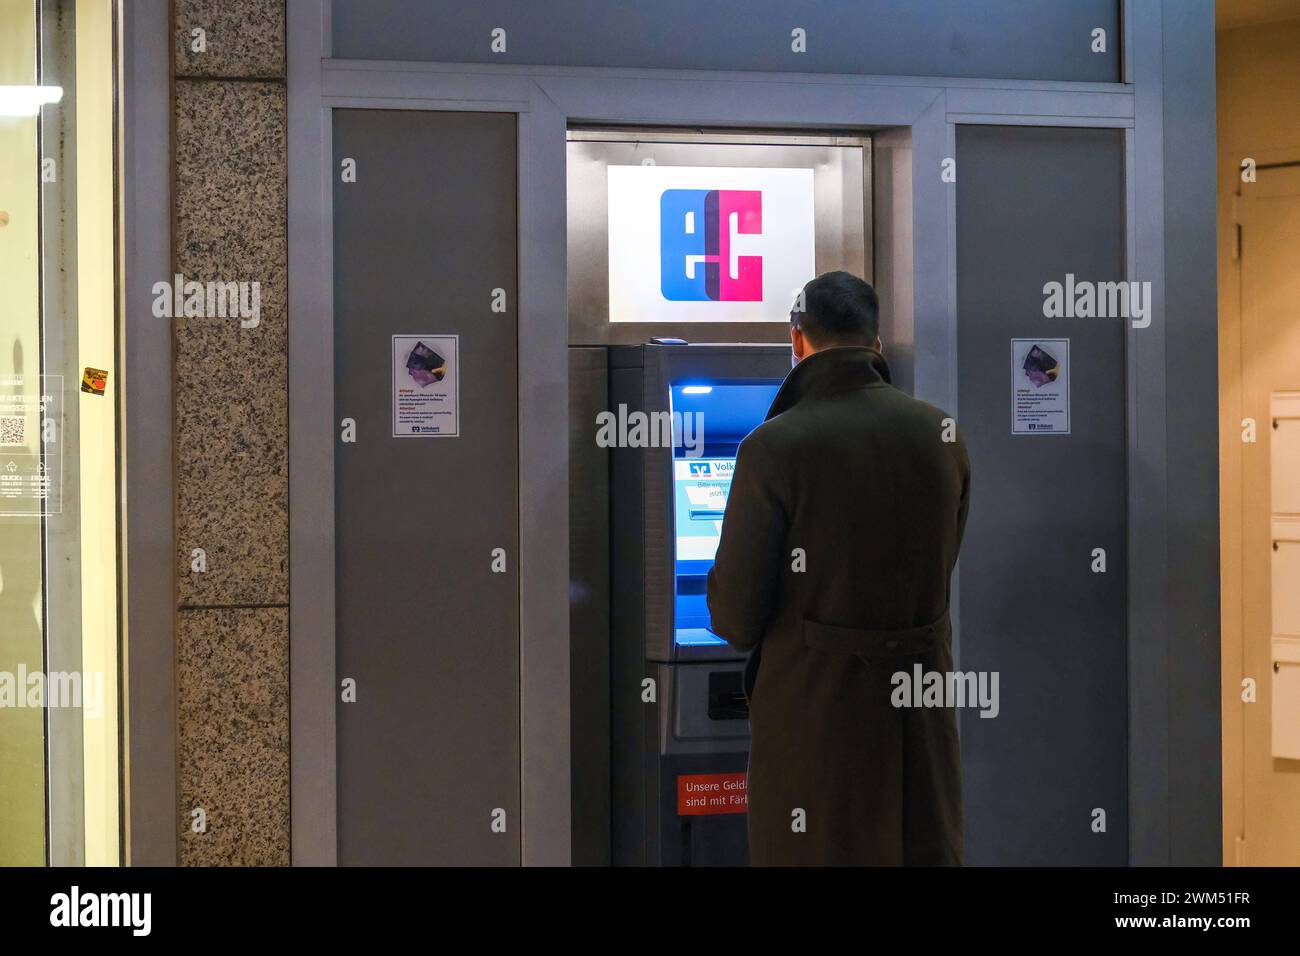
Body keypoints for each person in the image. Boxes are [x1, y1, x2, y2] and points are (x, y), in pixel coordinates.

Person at [706, 270, 971, 865]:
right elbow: (940, 565)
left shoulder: (772, 446)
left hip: (816, 721)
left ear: (797, 341)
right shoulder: (943, 436)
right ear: (876, 345)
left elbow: (737, 618)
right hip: (918, 725)